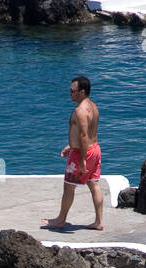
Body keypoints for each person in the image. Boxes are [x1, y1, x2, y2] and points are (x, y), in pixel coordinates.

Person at [41, 75, 103, 231]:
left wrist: (81, 159)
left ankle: (61, 219)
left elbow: (83, 135)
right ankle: (98, 222)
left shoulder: (80, 111)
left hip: (82, 153)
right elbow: (88, 133)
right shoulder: (93, 107)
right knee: (94, 185)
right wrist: (71, 144)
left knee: (69, 187)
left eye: (73, 91)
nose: (70, 93)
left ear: (82, 92)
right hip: (95, 149)